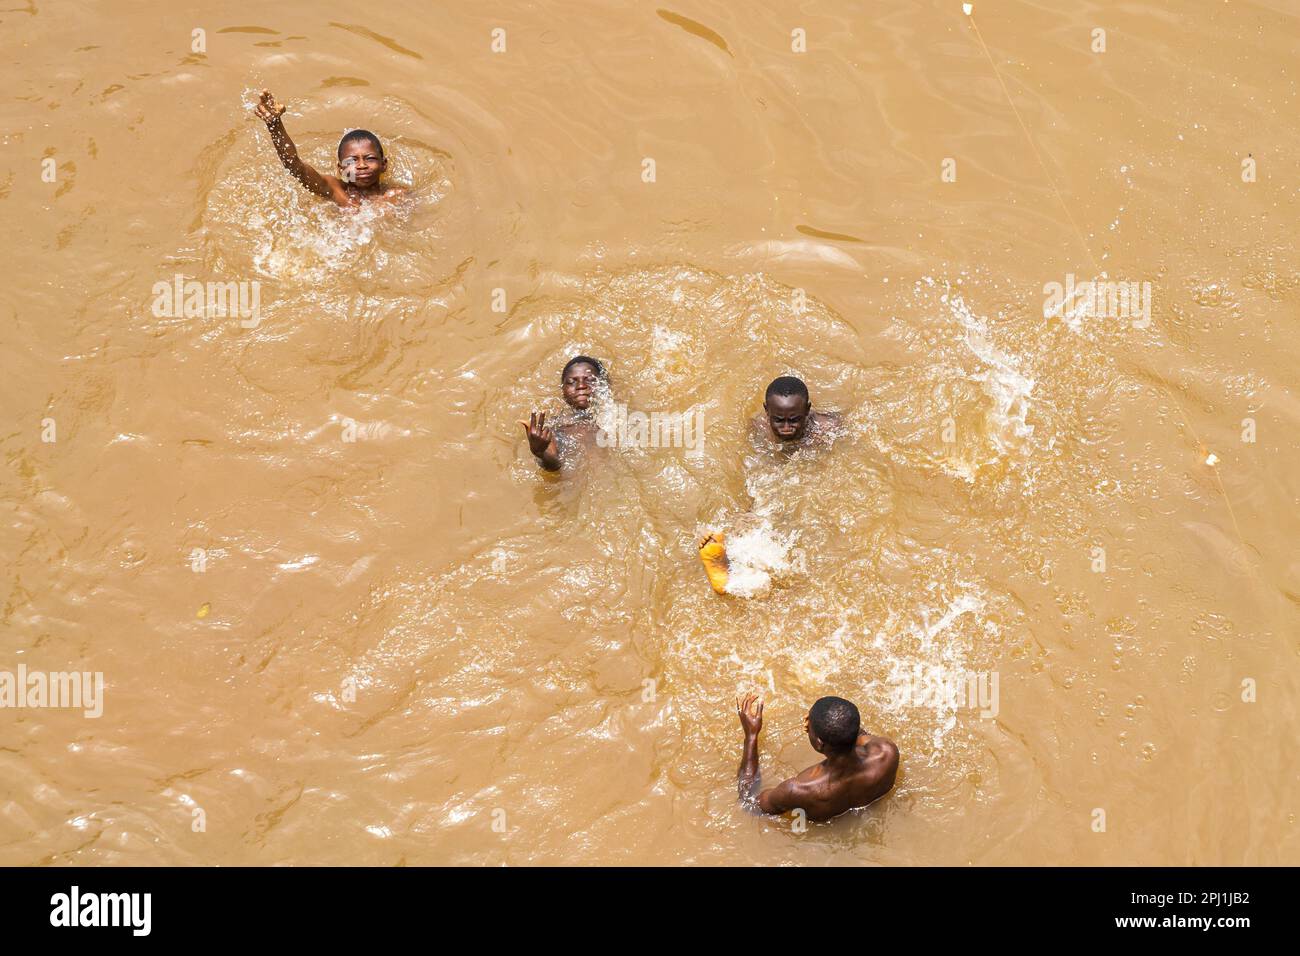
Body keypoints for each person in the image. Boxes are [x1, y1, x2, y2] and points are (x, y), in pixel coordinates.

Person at [736, 693, 898, 821]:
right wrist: (820, 727)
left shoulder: (799, 790)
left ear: (819, 743)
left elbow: (750, 803)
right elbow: (857, 733)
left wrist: (751, 735)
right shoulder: (887, 751)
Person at [253, 89, 404, 207]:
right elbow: (295, 167)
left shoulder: (396, 195)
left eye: (369, 158)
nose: (362, 166)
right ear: (341, 169)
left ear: (384, 164)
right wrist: (274, 125)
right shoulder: (336, 191)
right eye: (352, 161)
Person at [519, 356, 607, 471]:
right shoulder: (556, 428)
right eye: (571, 382)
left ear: (604, 386)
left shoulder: (619, 419)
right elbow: (555, 466)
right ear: (563, 389)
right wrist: (541, 453)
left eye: (590, 380)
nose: (581, 386)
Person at [752, 375, 842, 451]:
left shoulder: (826, 429)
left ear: (807, 410)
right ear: (766, 410)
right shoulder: (759, 426)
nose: (786, 428)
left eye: (794, 420)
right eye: (779, 420)